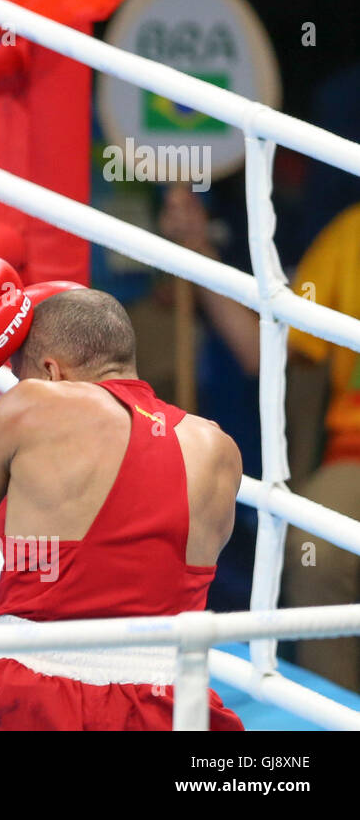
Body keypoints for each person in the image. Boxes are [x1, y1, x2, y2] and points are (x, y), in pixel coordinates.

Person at [0, 251, 244, 730]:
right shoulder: (218, 448)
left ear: (51, 371)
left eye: (19, 373)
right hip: (172, 701)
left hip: (38, 694)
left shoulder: (37, 403)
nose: (18, 386)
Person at [161, 187, 360, 691]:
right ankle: (333, 716)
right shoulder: (351, 232)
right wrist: (197, 249)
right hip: (354, 452)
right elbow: (263, 351)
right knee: (315, 551)